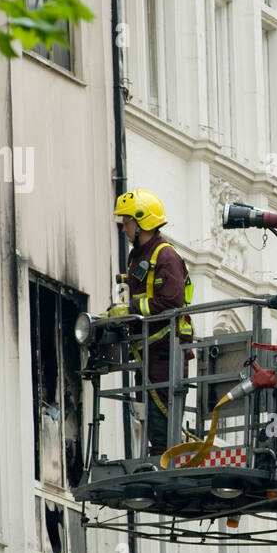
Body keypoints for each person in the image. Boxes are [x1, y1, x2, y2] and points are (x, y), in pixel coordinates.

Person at [108, 189, 193, 457]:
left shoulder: (165, 256)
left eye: (127, 222)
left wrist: (128, 309)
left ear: (141, 221)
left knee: (162, 411)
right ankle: (156, 456)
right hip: (148, 348)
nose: (123, 229)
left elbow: (171, 302)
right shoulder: (138, 257)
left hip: (167, 347)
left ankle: (163, 459)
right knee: (145, 409)